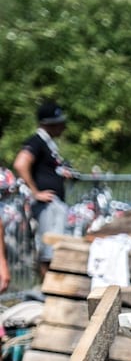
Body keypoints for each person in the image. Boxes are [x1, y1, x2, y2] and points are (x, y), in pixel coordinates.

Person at [12, 101, 72, 280]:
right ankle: (47, 290)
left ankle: (51, 289)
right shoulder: (37, 141)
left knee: (55, 249)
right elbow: (20, 163)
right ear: (49, 123)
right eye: (59, 122)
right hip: (47, 206)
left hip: (54, 205)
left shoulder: (48, 143)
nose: (63, 126)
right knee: (49, 251)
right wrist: (35, 192)